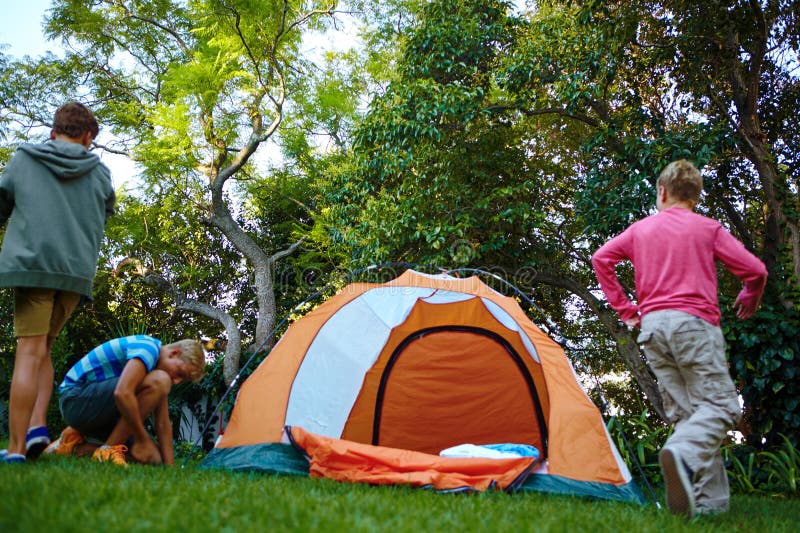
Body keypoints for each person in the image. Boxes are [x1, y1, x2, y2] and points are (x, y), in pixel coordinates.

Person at [591, 159, 767, 518]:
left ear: (663, 192)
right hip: (694, 326)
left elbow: (601, 259)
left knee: (691, 415)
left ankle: (709, 506)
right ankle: (683, 454)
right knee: (720, 408)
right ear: (696, 197)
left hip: (653, 329)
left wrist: (626, 310)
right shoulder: (707, 228)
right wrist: (751, 295)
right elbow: (756, 270)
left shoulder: (641, 230)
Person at [0, 102, 116, 464]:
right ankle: (37, 427)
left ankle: (16, 449)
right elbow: (106, 210)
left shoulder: (25, 159)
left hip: (33, 267)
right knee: (45, 349)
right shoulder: (100, 173)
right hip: (73, 274)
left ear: (53, 132)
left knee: (29, 352)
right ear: (87, 137)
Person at [44, 335, 205, 466]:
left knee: (154, 459)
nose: (176, 381)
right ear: (174, 353)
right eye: (179, 373)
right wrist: (142, 440)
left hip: (99, 410)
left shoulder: (158, 372)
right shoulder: (148, 348)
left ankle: (74, 447)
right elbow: (122, 392)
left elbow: (162, 422)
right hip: (75, 401)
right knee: (160, 380)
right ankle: (108, 449)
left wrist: (169, 466)